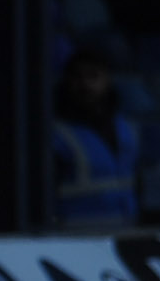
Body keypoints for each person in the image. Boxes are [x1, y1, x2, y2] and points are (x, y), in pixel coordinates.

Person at [52, 50, 140, 228]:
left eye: (93, 76)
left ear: (107, 80)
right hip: (77, 235)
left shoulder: (127, 128)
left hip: (126, 230)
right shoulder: (57, 134)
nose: (85, 84)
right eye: (77, 77)